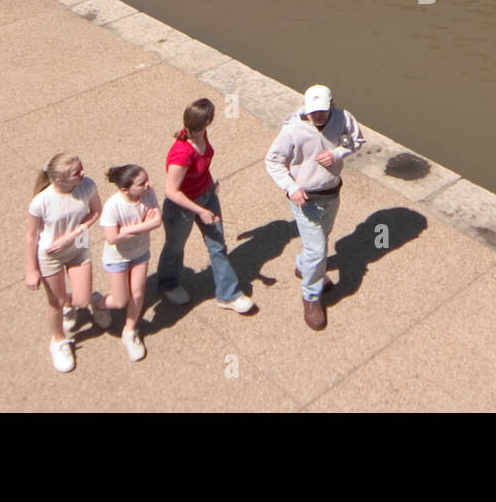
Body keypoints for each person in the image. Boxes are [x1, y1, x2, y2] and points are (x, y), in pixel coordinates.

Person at [265, 85, 365, 330]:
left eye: (322, 111)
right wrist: (291, 187)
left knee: (322, 238)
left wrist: (338, 154)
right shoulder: (293, 130)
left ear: (332, 105)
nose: (317, 116)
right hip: (305, 199)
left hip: (331, 193)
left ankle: (304, 266)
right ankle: (311, 296)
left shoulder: (343, 118)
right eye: (312, 111)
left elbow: (357, 140)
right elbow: (273, 160)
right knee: (318, 249)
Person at [156, 99, 254, 314]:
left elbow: (202, 165)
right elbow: (171, 191)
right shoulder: (182, 153)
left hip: (207, 196)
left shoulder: (201, 135)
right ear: (205, 121)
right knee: (175, 247)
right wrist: (200, 211)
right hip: (182, 207)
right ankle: (168, 283)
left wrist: (209, 187)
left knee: (217, 245)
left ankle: (228, 294)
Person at [25, 152, 112, 373]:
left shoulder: (87, 185)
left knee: (82, 300)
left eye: (81, 168)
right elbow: (30, 236)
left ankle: (89, 301)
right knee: (57, 302)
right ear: (59, 180)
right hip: (50, 255)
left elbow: (96, 212)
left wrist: (71, 235)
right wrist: (31, 269)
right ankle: (58, 341)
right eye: (77, 172)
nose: (83, 173)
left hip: (78, 246)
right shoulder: (40, 202)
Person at [99, 164, 162, 361]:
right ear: (125, 188)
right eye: (141, 183)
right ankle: (97, 303)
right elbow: (112, 238)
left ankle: (129, 330)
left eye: (146, 180)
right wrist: (143, 226)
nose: (147, 185)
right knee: (120, 300)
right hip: (117, 258)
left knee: (137, 294)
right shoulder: (113, 206)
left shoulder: (148, 193)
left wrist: (127, 230)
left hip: (140, 252)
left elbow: (157, 220)